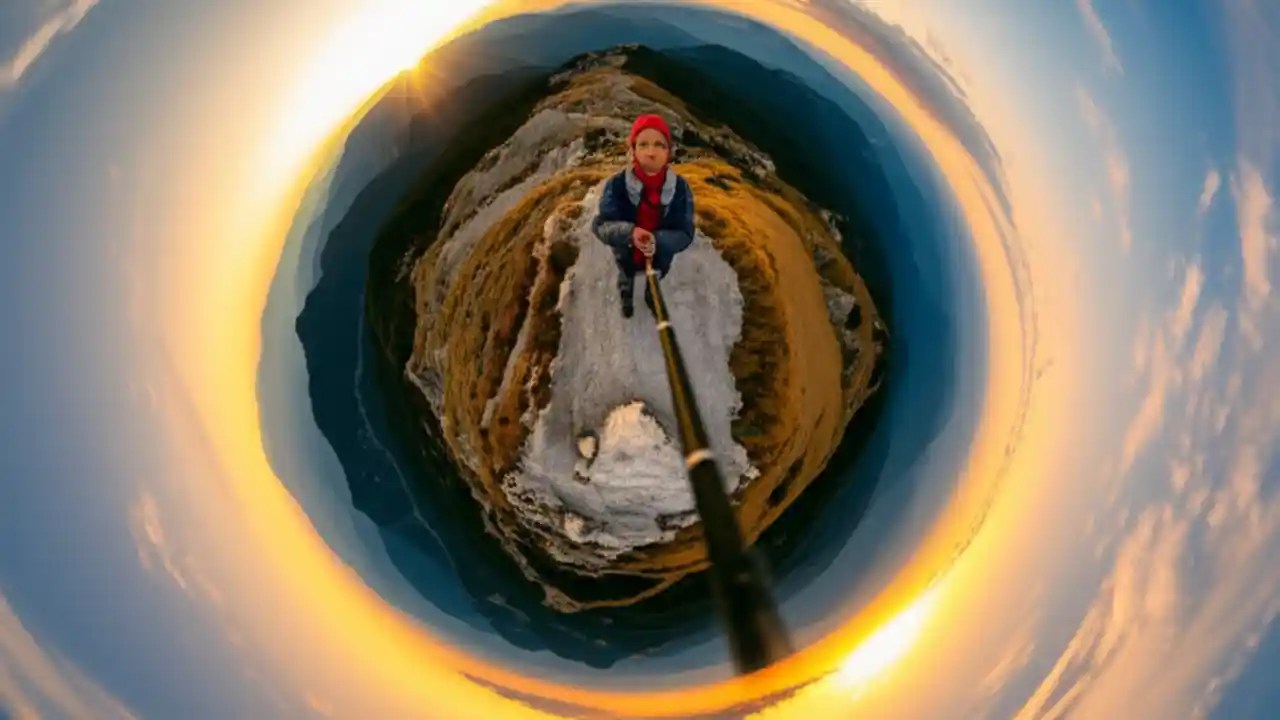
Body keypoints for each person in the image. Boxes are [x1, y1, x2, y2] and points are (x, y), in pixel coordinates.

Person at [591, 113, 696, 318]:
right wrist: (630, 234)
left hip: (660, 256)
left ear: (668, 152)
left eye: (659, 145)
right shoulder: (617, 185)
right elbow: (602, 226)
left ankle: (651, 296)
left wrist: (658, 241)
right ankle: (626, 297)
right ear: (633, 150)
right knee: (626, 275)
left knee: (655, 277)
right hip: (626, 250)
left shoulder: (680, 189)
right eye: (643, 144)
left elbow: (685, 232)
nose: (651, 152)